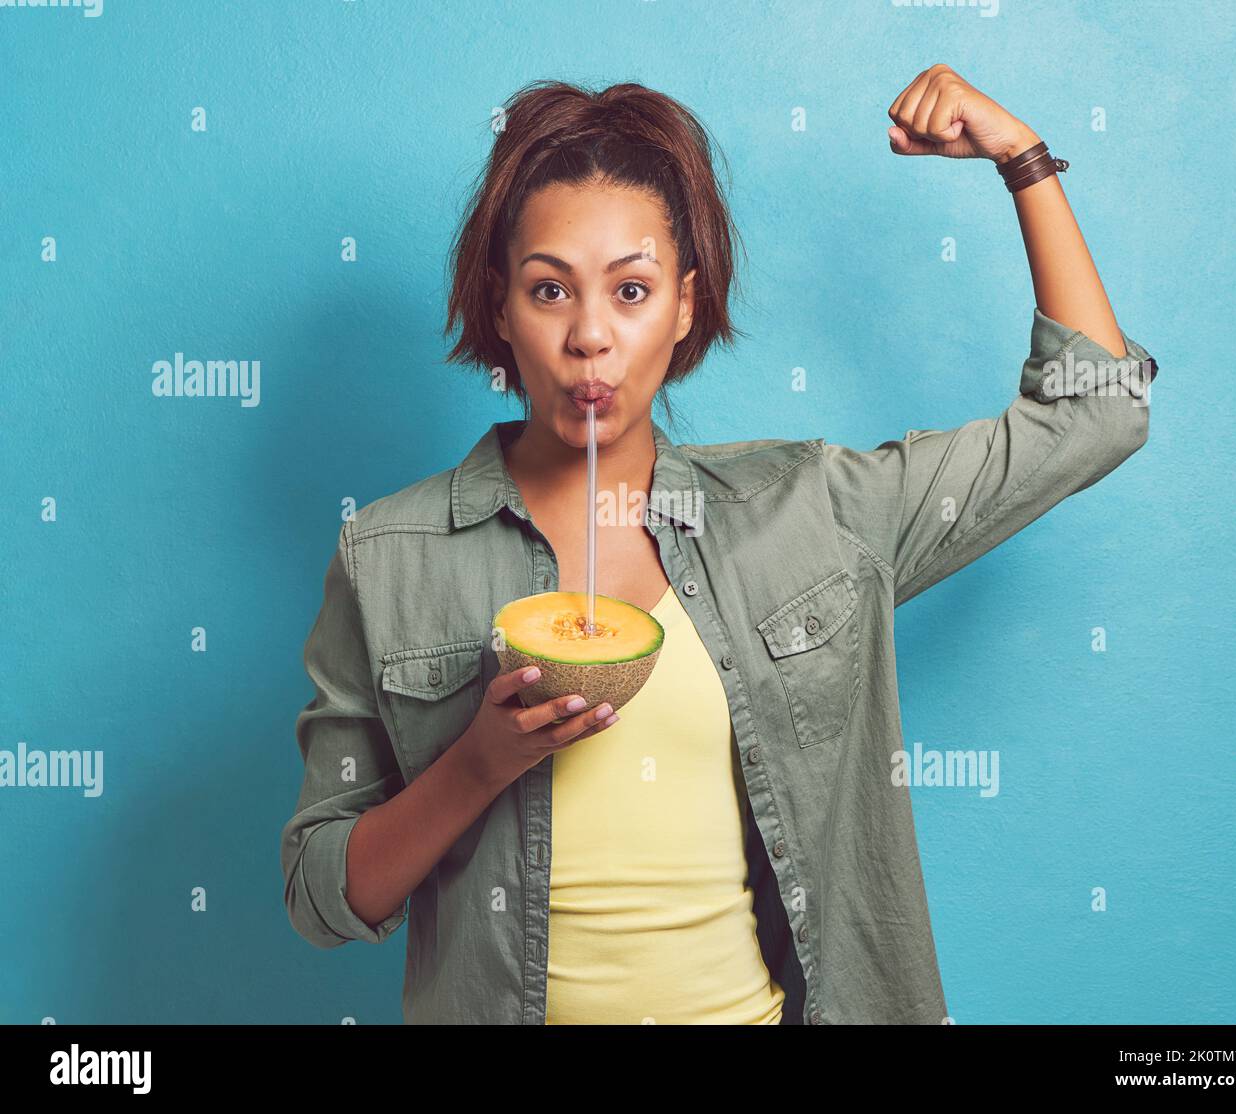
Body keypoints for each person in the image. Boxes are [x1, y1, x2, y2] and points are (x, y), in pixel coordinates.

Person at [281, 74, 1157, 1024]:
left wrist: (1022, 160)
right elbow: (322, 899)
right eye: (548, 290)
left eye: (631, 290)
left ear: (686, 304)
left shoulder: (809, 512)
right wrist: (479, 762)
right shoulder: (387, 556)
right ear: (499, 307)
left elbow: (1094, 415)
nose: (589, 337)